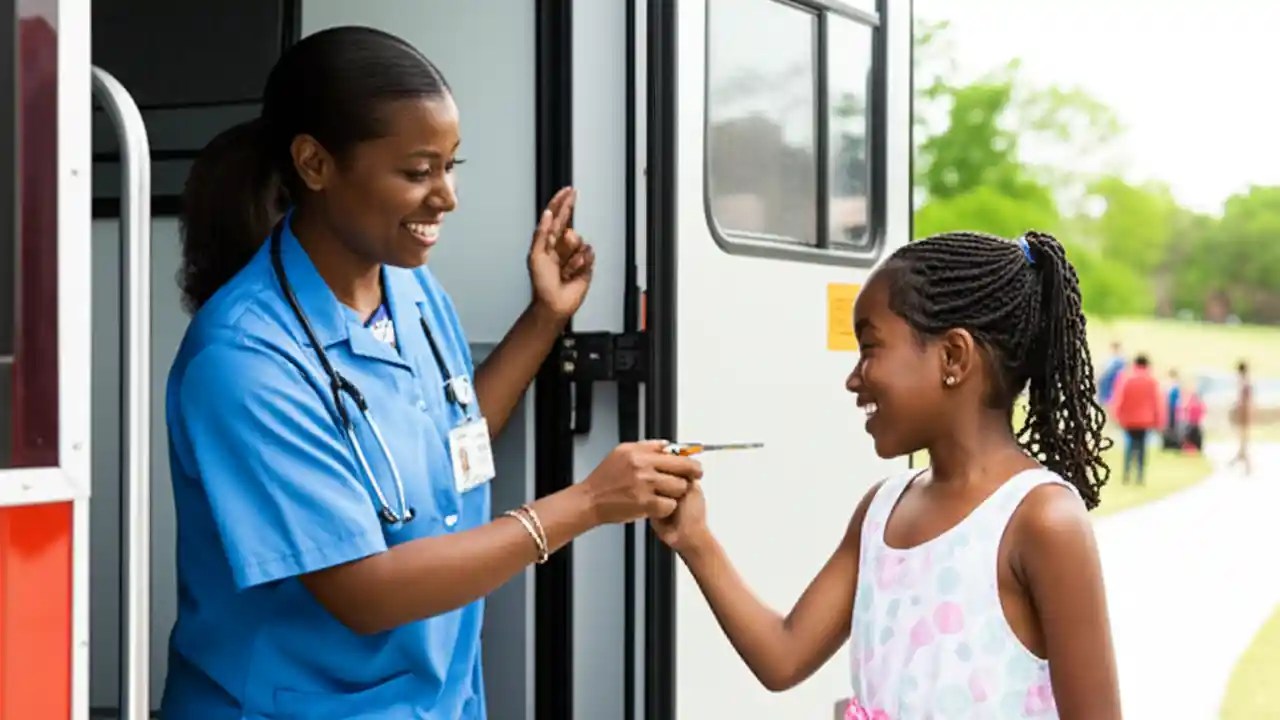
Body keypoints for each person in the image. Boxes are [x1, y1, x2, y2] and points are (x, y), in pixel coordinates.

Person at [160, 27, 703, 719]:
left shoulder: (411, 293)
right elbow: (366, 592)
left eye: (451, 166)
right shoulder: (244, 359)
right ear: (315, 164)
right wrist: (587, 504)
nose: (445, 198)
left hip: (437, 699)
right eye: (418, 172)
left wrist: (544, 318)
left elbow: (454, 438)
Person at [653, 231, 1121, 719]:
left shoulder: (1043, 520)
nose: (854, 378)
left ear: (953, 357)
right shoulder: (881, 510)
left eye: (870, 347)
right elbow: (783, 656)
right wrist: (695, 539)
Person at [1109, 354, 1164, 485]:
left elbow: (1119, 399)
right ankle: (1140, 476)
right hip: (1145, 421)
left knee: (1129, 447)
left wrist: (1116, 415)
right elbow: (1157, 402)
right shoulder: (1151, 381)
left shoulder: (1127, 379)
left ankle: (1127, 474)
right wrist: (1158, 421)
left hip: (1128, 420)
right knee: (1142, 449)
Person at [1229, 360, 1253, 475]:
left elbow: (1244, 402)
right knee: (1242, 442)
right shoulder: (1245, 383)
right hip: (1244, 416)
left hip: (1243, 417)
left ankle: (1245, 464)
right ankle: (1238, 460)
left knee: (1243, 441)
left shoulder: (1244, 384)